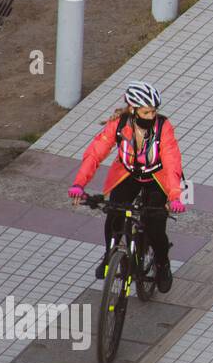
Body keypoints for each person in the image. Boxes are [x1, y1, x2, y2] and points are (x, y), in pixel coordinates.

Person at [68, 82, 186, 293]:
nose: (151, 116)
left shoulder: (163, 127)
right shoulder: (119, 124)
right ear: (132, 109)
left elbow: (171, 161)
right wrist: (79, 183)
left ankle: (162, 264)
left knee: (155, 224)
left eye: (154, 112)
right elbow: (95, 153)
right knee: (114, 214)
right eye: (146, 112)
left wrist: (175, 195)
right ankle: (109, 253)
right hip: (128, 174)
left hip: (157, 178)